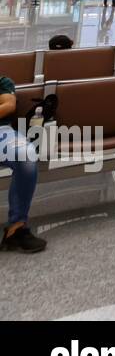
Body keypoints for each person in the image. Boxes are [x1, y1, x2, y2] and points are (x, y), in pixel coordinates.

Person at [0, 75, 46, 253]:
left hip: (2, 133)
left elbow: (8, 105)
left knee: (25, 155)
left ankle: (16, 229)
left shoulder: (3, 81)